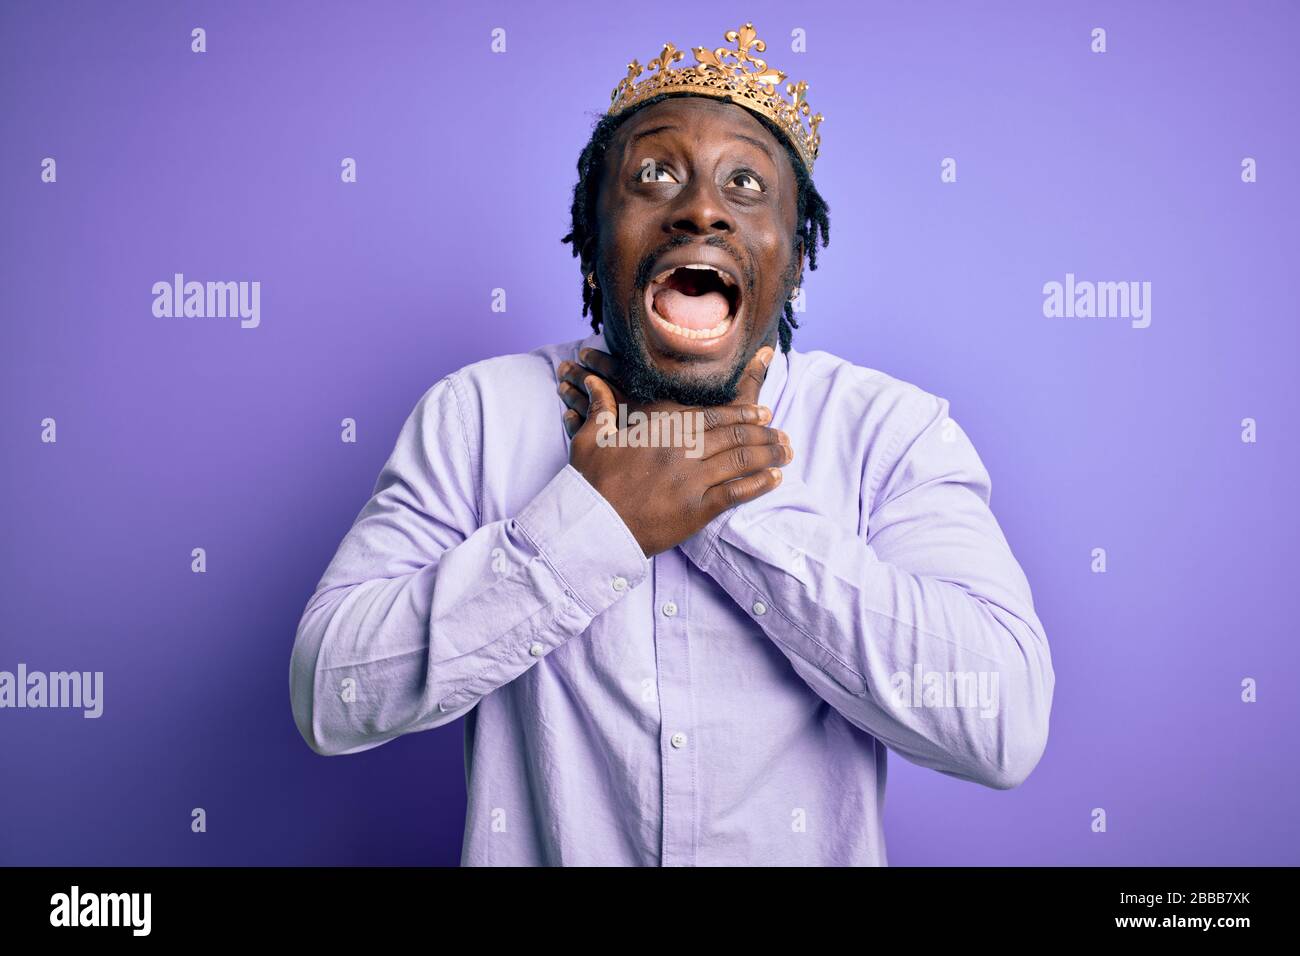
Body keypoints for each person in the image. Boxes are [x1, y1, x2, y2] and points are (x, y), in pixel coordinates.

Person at [290, 22, 1054, 866]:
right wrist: (584, 529)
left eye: (746, 184)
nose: (700, 208)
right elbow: (331, 693)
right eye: (654, 176)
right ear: (592, 247)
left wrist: (706, 500)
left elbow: (1003, 722)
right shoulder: (476, 415)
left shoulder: (892, 431)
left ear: (796, 260)